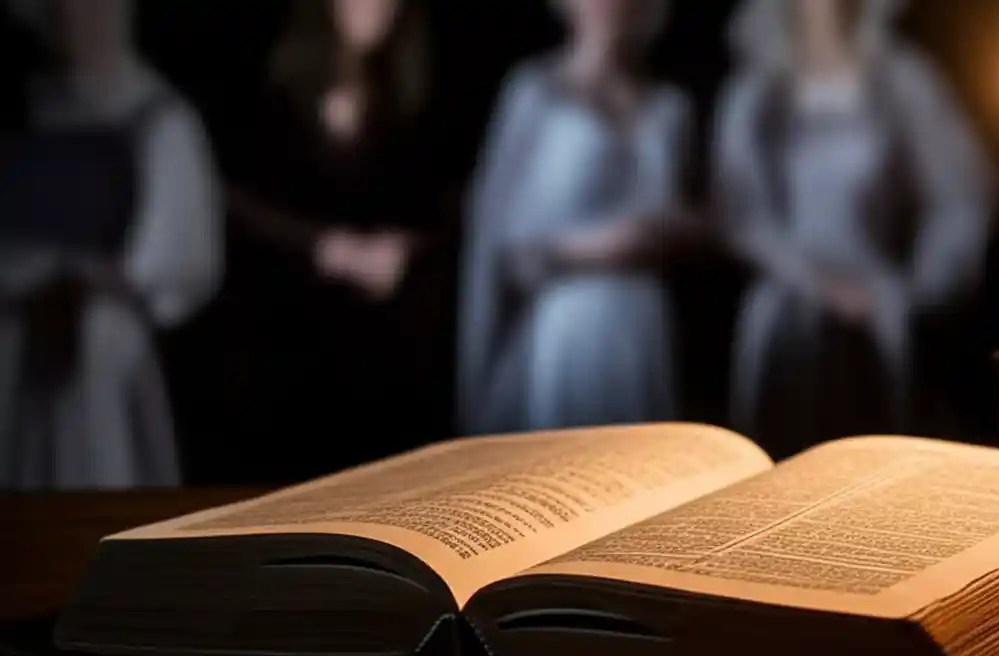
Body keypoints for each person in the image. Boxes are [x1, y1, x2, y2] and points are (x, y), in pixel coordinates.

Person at [716, 0, 994, 457]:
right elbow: (740, 209)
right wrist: (815, 283)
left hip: (874, 317)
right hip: (784, 319)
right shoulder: (759, 90)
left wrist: (908, 290)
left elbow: (961, 191)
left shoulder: (900, 80)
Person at [221, 0, 451, 480]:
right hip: (285, 327)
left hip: (387, 338)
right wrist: (321, 246)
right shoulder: (274, 89)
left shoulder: (421, 94)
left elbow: (451, 204)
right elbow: (234, 199)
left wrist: (402, 250)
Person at [0, 0, 221, 490]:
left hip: (103, 363)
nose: (77, 19)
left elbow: (178, 261)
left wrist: (91, 287)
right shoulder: (25, 115)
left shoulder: (155, 119)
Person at [458, 0, 691, 433]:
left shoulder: (669, 106)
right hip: (565, 318)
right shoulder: (535, 92)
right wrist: (599, 244)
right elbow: (500, 237)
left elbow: (675, 215)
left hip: (640, 318)